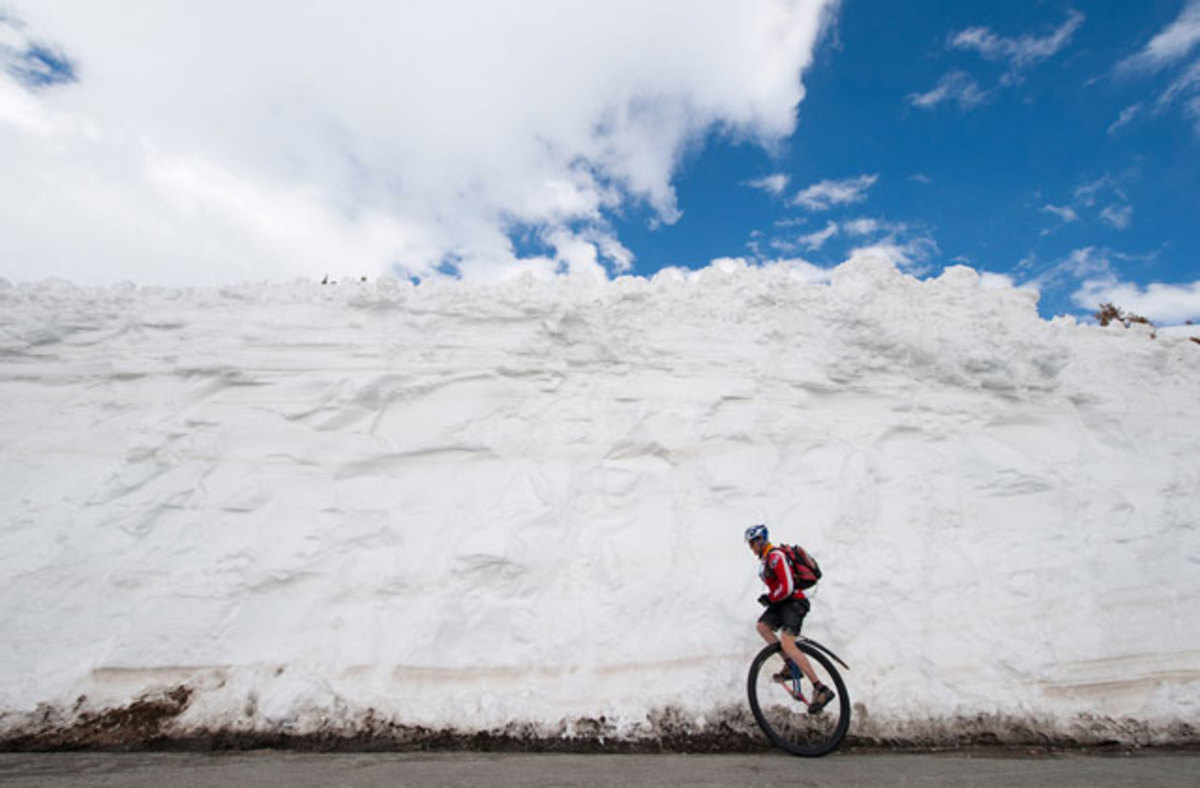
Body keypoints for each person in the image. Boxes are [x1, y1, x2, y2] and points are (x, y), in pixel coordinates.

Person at [745, 523, 835, 714]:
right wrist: (771, 598)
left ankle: (821, 688)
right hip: (782, 604)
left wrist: (771, 597)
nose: (751, 547)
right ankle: (791, 664)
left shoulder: (776, 557)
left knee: (788, 643)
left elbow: (787, 587)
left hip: (794, 603)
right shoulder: (767, 560)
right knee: (762, 627)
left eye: (753, 542)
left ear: (762, 540)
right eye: (750, 544)